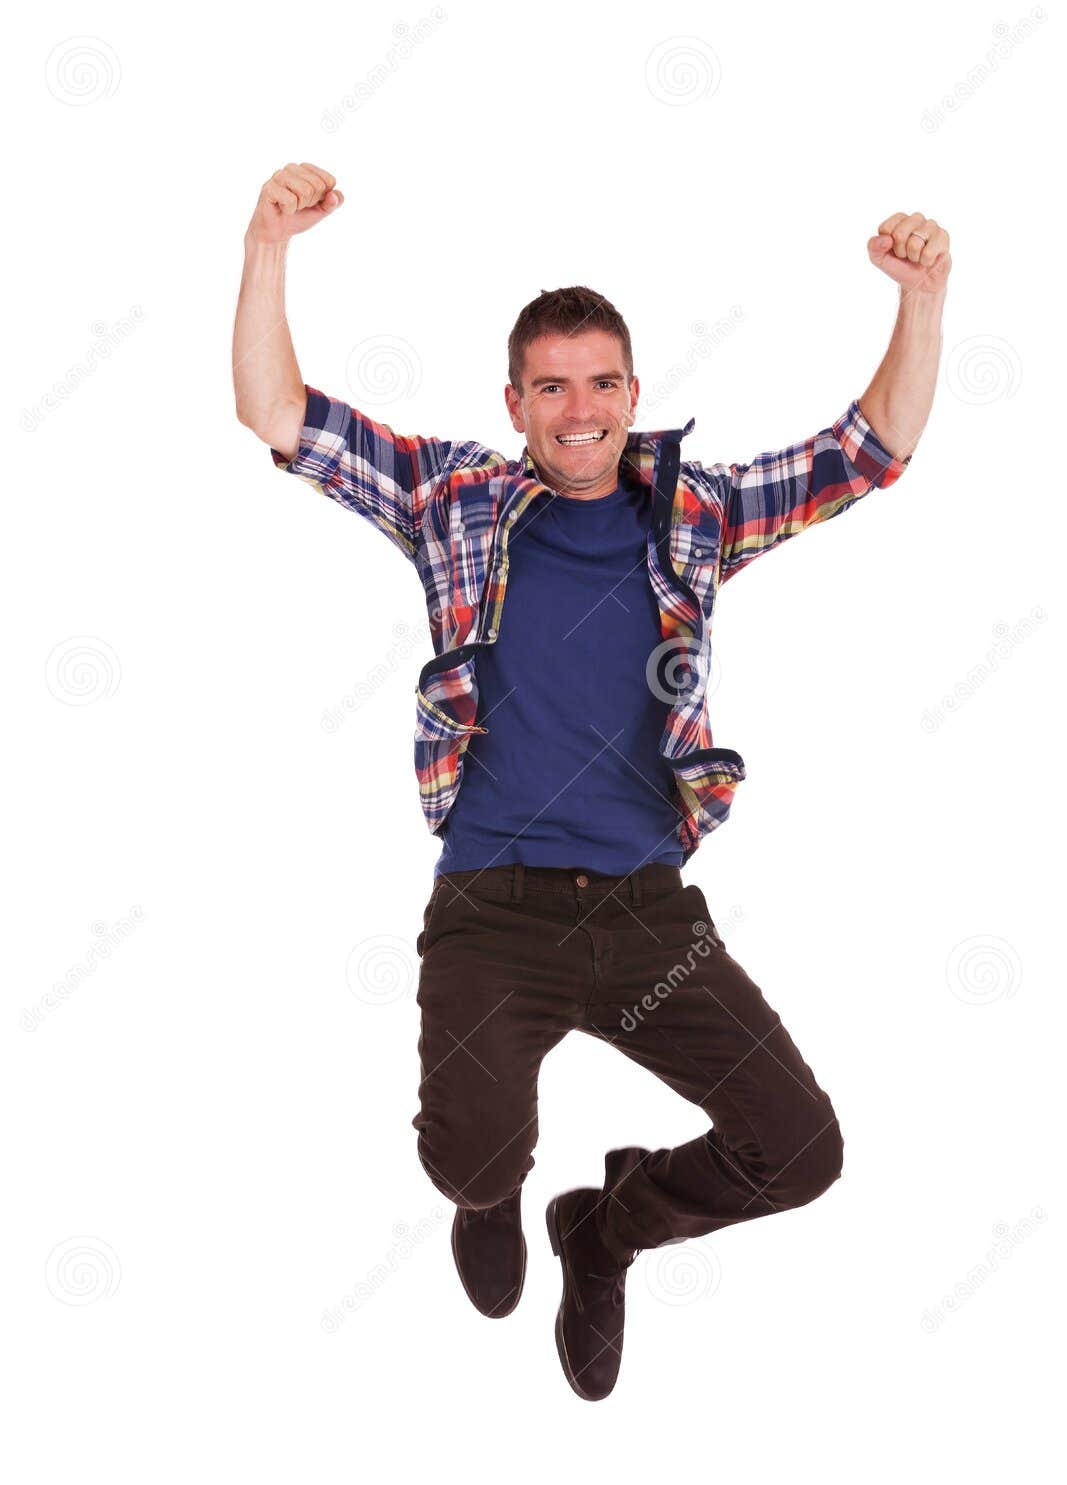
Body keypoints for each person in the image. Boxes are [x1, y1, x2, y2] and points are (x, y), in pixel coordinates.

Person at [233, 162, 950, 1401]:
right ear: (513, 400)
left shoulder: (696, 514)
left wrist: (922, 297)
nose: (579, 409)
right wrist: (264, 244)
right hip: (491, 908)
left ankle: (603, 1228)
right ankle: (496, 1189)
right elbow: (275, 411)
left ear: (632, 391)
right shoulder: (451, 495)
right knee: (463, 1158)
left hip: (643, 914)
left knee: (797, 1151)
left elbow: (869, 450)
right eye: (551, 387)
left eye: (601, 382)